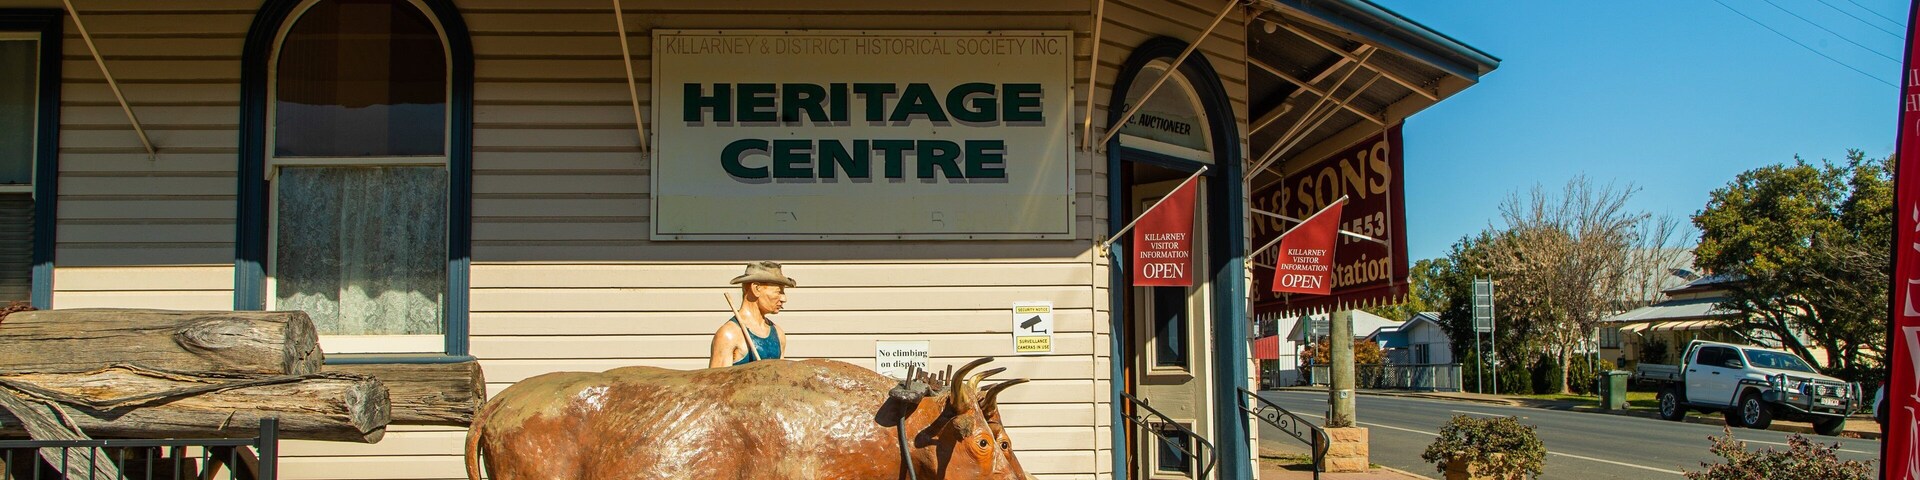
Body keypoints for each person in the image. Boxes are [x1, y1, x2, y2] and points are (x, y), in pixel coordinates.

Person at [708, 261, 795, 368]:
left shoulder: (778, 334)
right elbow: (715, 382)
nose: (783, 299)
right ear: (756, 288)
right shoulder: (729, 335)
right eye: (779, 291)